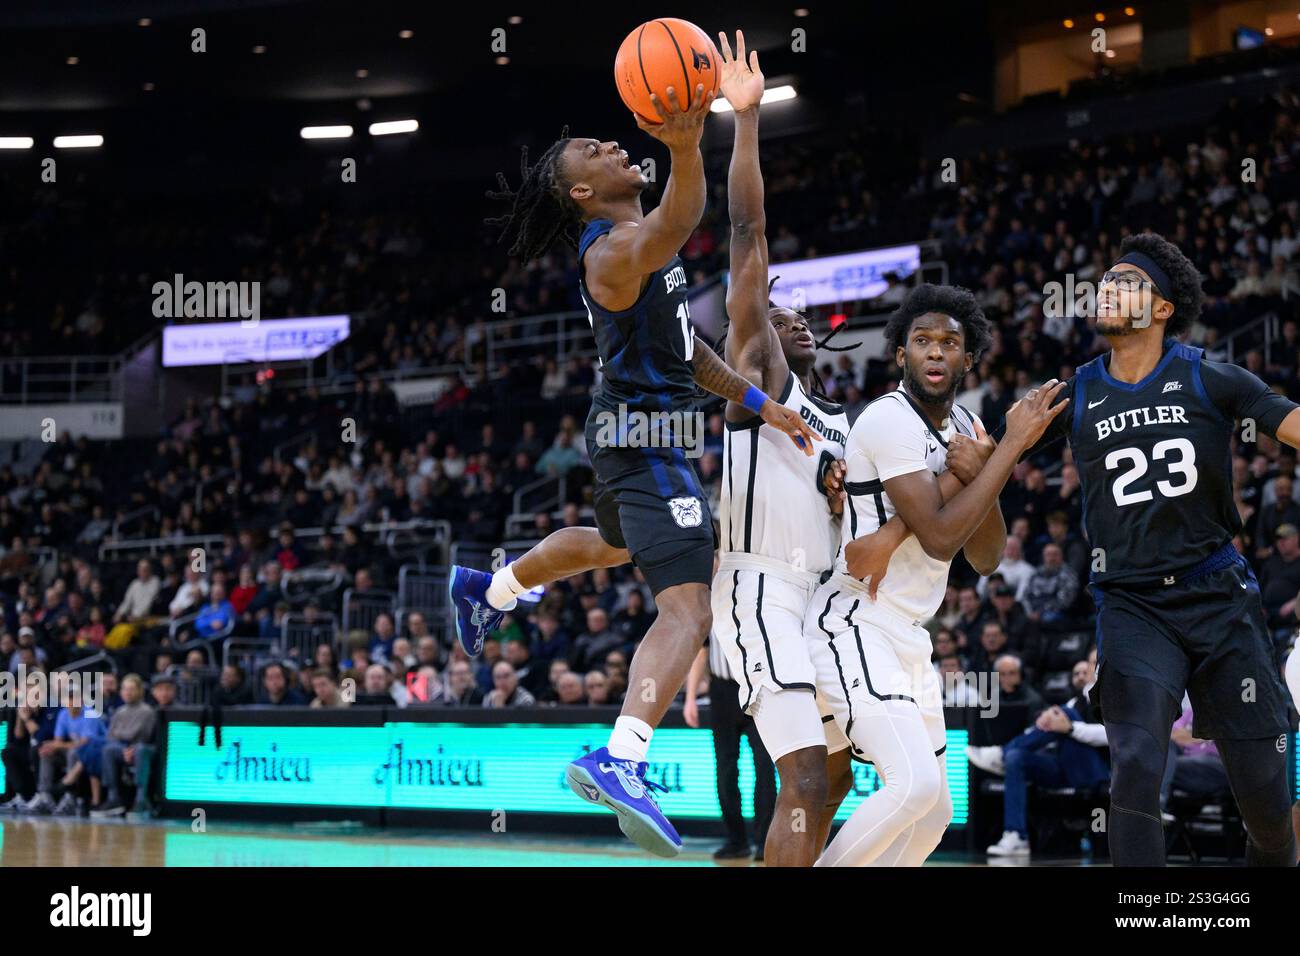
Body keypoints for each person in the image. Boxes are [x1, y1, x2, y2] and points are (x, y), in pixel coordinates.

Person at [448, 28, 818, 857]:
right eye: (596, 147)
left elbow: (691, 354)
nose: (615, 141)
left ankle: (494, 587)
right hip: (646, 439)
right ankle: (622, 758)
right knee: (691, 603)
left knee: (616, 546)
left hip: (636, 431)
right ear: (581, 191)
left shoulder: (639, 243)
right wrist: (690, 143)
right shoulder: (614, 253)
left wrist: (767, 402)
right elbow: (684, 219)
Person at [1015, 233, 1300, 866]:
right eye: (1105, 279)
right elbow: (986, 458)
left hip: (1220, 599)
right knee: (1136, 765)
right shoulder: (1072, 394)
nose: (1107, 287)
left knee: (1267, 809)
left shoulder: (1211, 376)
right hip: (1133, 606)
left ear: (1164, 307)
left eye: (1127, 280)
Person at [805, 284, 1067, 867]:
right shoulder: (887, 419)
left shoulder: (971, 424)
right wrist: (1010, 449)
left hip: (910, 633)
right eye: (921, 340)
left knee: (937, 812)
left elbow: (986, 556)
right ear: (900, 353)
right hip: (856, 618)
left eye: (950, 343)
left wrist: (990, 467)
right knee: (912, 787)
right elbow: (941, 534)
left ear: (968, 359)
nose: (934, 352)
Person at [706, 33, 852, 867]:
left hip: (826, 597)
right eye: (779, 316)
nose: (789, 321)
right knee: (799, 769)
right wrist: (747, 119)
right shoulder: (760, 375)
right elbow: (746, 229)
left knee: (831, 776)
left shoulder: (841, 420)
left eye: (802, 321)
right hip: (760, 586)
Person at [969, 653, 1109, 857]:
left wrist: (1070, 728)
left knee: (1063, 714)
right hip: (1066, 767)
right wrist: (1053, 721)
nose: (1088, 670)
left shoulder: (1115, 698)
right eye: (1089, 663)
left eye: (1095, 663)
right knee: (1016, 757)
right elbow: (1044, 727)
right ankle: (1016, 836)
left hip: (1098, 772)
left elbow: (1111, 736)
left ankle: (1000, 752)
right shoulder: (1076, 700)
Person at [685, 632, 776, 862]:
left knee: (764, 768)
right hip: (722, 691)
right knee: (725, 770)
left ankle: (764, 841)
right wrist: (690, 698)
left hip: (758, 687)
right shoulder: (711, 603)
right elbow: (701, 651)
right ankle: (737, 841)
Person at [90, 674, 158, 817]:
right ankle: (113, 797)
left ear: (140, 691)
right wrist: (124, 743)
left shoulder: (147, 711)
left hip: (143, 748)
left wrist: (125, 739)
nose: (128, 692)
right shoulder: (120, 711)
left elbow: (141, 735)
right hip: (123, 748)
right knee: (108, 750)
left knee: (140, 750)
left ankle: (140, 799)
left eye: (132, 689)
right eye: (125, 689)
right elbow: (111, 735)